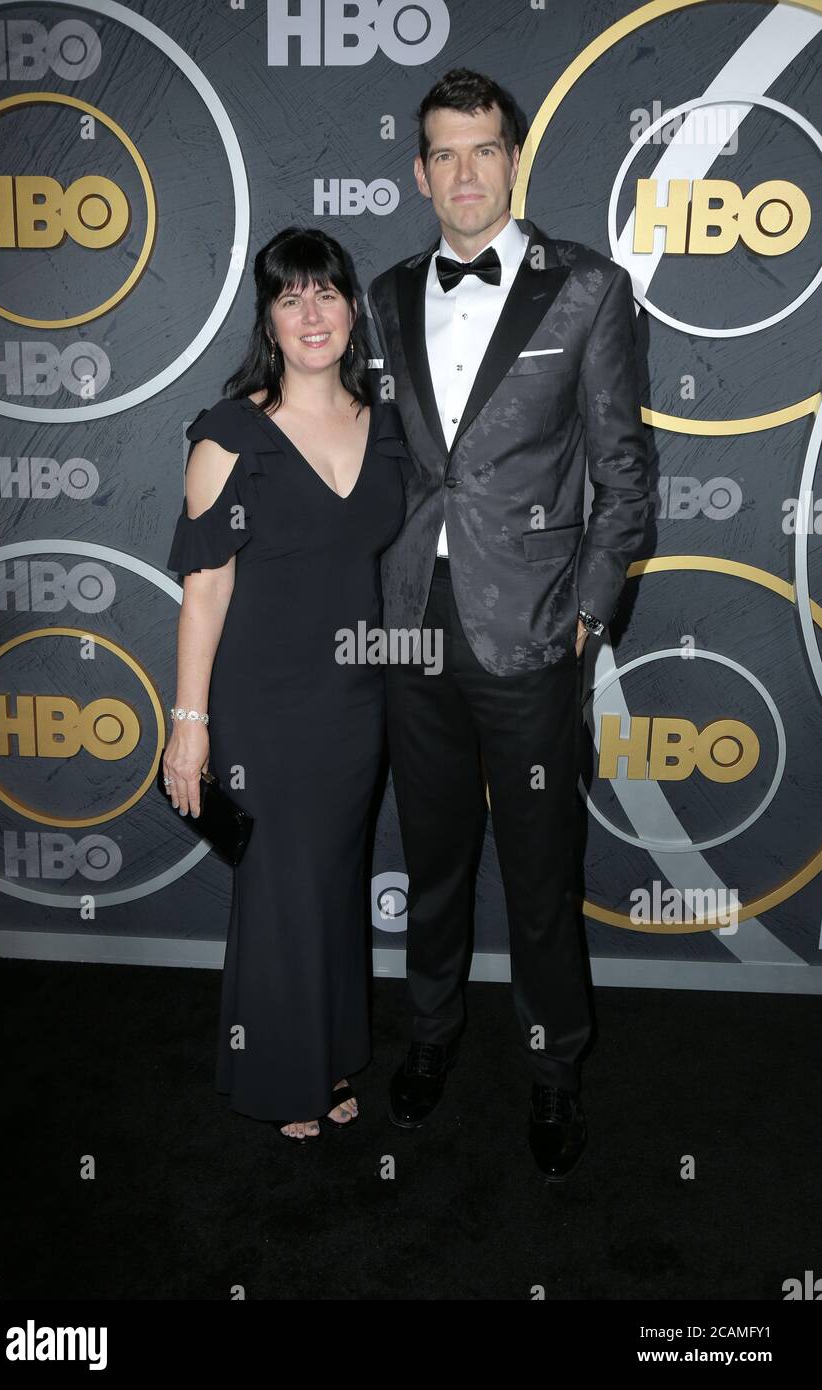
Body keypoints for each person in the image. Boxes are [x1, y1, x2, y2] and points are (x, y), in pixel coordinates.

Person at [366, 69, 651, 1180]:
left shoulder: (583, 287)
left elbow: (624, 471)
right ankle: (429, 1039)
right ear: (420, 170)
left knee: (538, 872)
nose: (464, 172)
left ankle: (551, 1070)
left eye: (483, 149)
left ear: (513, 158)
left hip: (530, 627)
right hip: (408, 624)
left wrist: (588, 612)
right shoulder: (386, 292)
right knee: (431, 859)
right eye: (443, 153)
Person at [163, 227, 411, 1141]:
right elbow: (205, 591)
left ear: (352, 307)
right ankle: (280, 1078)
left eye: (327, 293)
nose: (312, 314)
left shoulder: (387, 422)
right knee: (280, 886)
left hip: (360, 701)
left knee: (333, 883)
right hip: (264, 704)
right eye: (289, 297)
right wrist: (189, 722)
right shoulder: (231, 434)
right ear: (268, 317)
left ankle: (329, 1053)